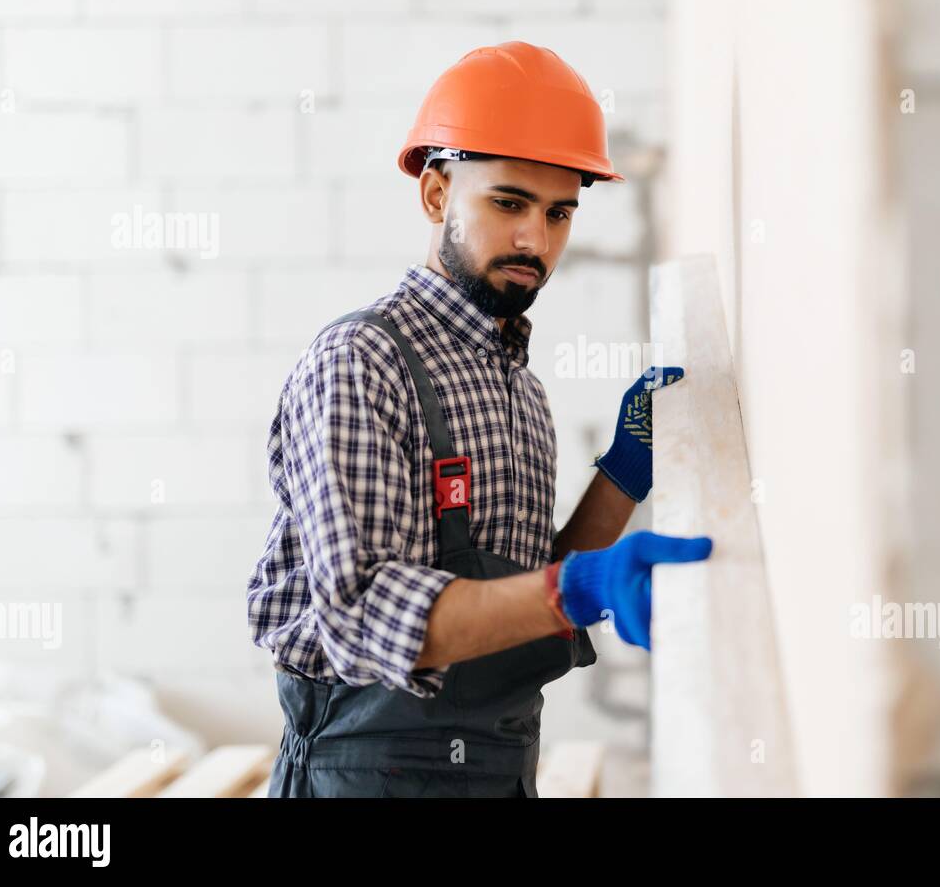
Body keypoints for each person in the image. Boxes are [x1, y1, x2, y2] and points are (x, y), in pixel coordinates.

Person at [247, 41, 712, 798]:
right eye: (509, 203)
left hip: (502, 766)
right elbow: (362, 614)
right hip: (368, 775)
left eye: (560, 213)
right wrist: (574, 588)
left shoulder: (519, 391)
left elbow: (523, 590)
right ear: (436, 195)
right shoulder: (361, 362)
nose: (537, 239)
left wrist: (625, 472)